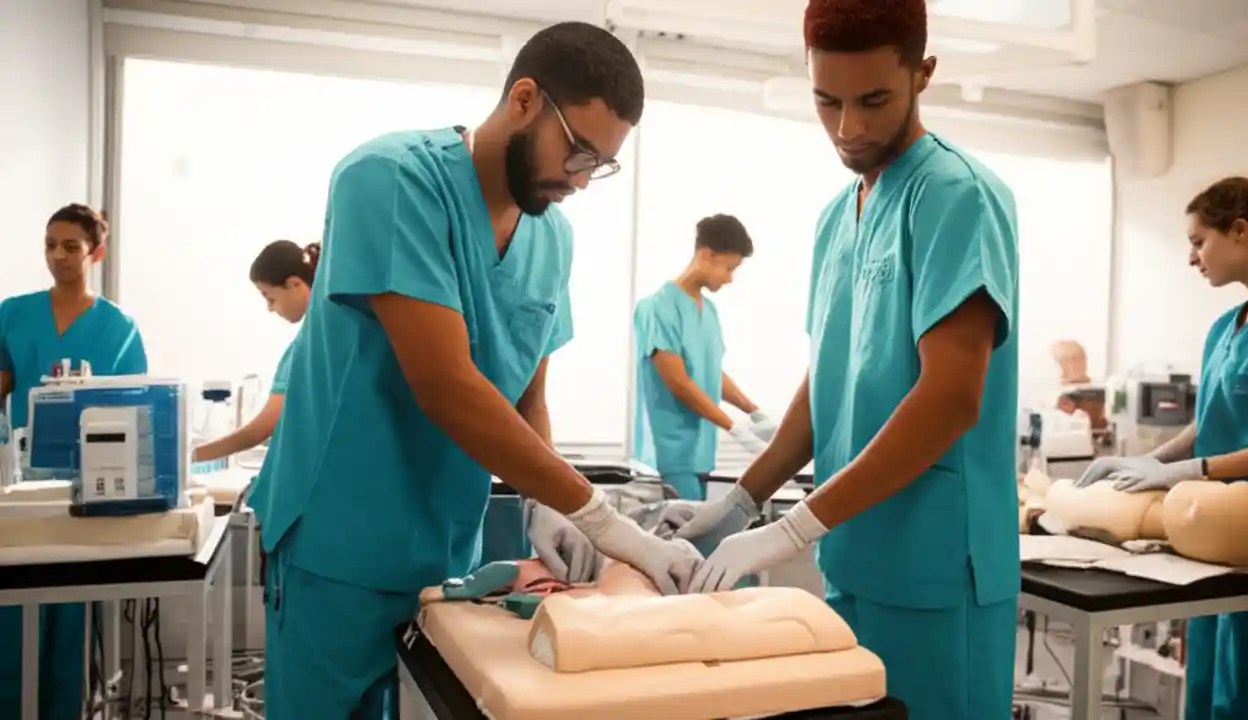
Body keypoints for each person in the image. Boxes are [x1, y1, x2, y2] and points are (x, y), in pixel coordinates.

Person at [246, 22, 701, 717]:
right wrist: (606, 523)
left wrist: (548, 502)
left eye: (598, 167)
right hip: (339, 539)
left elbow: (527, 395)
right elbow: (446, 384)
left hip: (443, 553)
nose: (580, 182)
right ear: (524, 99)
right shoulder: (392, 180)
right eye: (578, 152)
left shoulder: (551, 235)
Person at [662, 1, 1022, 717]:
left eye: (874, 100)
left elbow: (951, 396)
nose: (848, 128)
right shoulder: (838, 215)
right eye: (827, 101)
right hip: (854, 557)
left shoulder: (956, 196)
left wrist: (796, 526)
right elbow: (829, 383)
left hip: (937, 568)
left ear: (923, 74)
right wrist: (742, 500)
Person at [1077, 177, 1248, 720]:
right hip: (1205, 532)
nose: (1192, 257)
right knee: (1208, 683)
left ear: (1240, 231)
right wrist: (1155, 460)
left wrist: (1198, 468)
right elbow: (1209, 422)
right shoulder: (1224, 328)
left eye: (1198, 241)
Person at [0, 204, 148, 720]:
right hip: (19, 490)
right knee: (13, 616)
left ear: (96, 253)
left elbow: (135, 409)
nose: (57, 256)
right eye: (49, 245)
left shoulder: (119, 327)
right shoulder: (12, 314)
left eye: (70, 246)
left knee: (70, 614)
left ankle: (64, 709)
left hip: (87, 488)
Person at [632, 213, 777, 500]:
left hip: (701, 453)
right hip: (673, 452)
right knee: (685, 537)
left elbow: (710, 372)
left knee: (697, 536)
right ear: (707, 255)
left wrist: (753, 411)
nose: (730, 278)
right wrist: (733, 428)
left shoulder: (708, 311)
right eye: (728, 268)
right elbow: (679, 382)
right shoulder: (658, 308)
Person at [192, 240, 319, 463]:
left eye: (270, 297)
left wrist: (191, 456)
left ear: (295, 284)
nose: (270, 308)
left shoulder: (309, 347)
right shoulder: (327, 336)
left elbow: (261, 429)